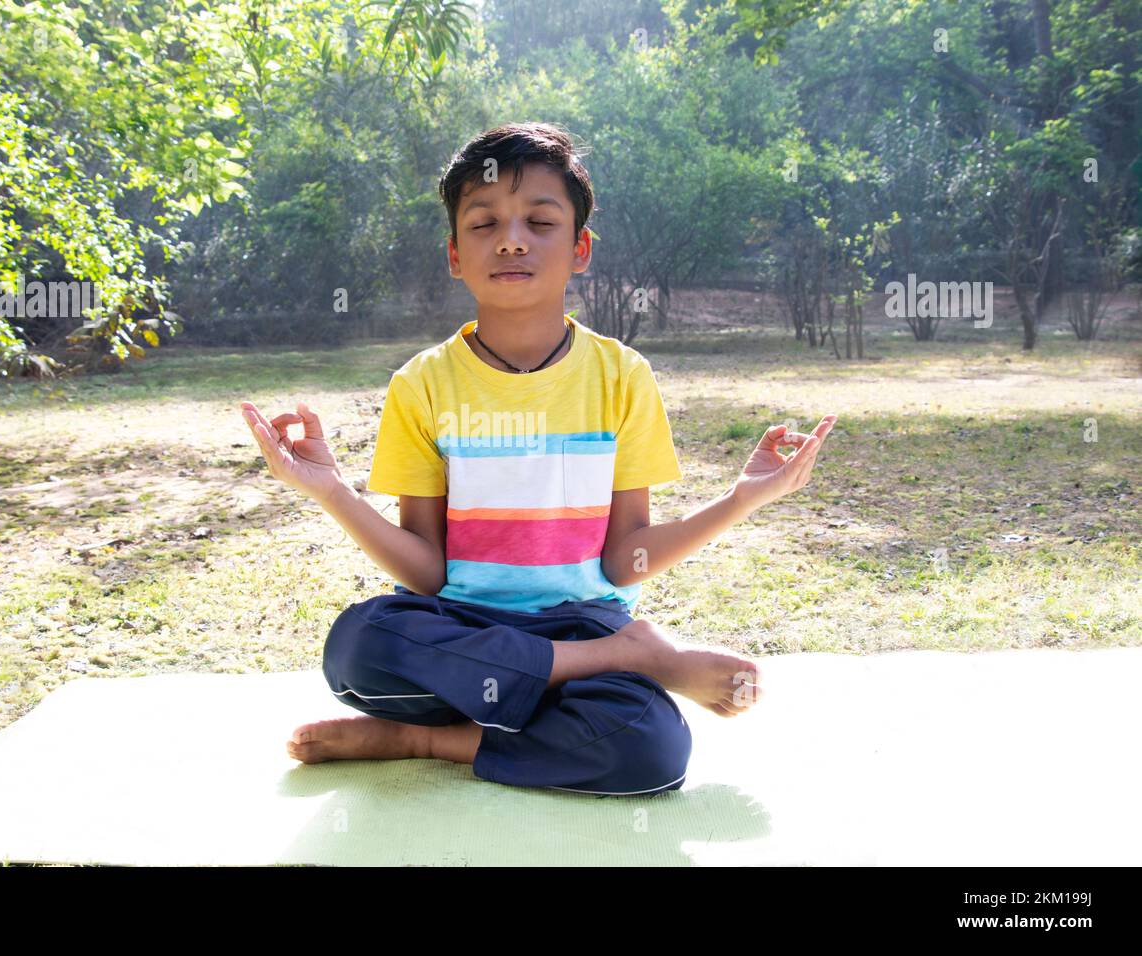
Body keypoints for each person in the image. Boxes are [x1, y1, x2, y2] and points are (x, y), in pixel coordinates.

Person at [240, 122, 837, 796]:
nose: (512, 238)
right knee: (357, 646)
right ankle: (632, 659)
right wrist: (332, 491)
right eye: (485, 222)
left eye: (540, 221)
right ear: (454, 255)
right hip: (464, 637)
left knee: (650, 746)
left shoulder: (621, 377)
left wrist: (741, 498)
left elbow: (623, 561)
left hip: (581, 625)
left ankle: (423, 739)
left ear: (580, 248)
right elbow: (430, 574)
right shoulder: (422, 385)